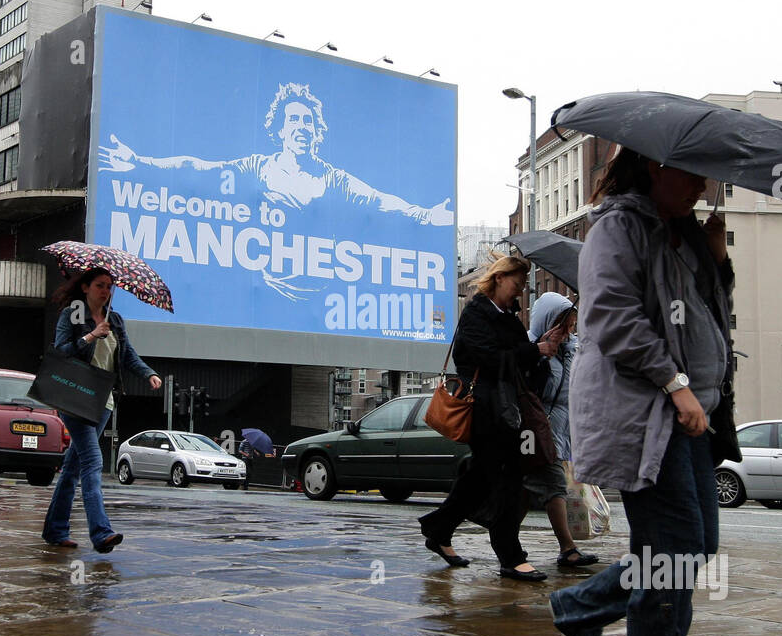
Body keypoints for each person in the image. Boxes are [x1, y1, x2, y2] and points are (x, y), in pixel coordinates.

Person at [548, 147, 742, 636]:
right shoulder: (618, 226)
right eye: (692, 172)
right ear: (657, 166)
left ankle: (581, 610)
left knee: (691, 549)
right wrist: (674, 383)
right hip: (649, 415)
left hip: (695, 417)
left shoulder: (681, 231)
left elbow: (712, 316)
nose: (703, 185)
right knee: (674, 555)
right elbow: (610, 316)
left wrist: (717, 260)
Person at [97, 82, 453, 225]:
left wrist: (426, 215)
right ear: (279, 129)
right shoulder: (257, 168)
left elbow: (379, 200)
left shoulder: (334, 179)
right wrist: (141, 162)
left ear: (316, 132)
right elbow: (199, 167)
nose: (301, 126)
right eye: (293, 119)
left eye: (307, 121)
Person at [417, 255, 567, 581]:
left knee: (480, 477)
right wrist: (533, 351)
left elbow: (521, 365)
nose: (521, 291)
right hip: (485, 410)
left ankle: (439, 529)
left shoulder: (510, 318)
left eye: (524, 285)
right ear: (500, 279)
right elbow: (488, 358)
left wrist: (544, 349)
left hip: (506, 409)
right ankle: (511, 557)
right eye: (517, 283)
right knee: (507, 481)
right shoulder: (476, 313)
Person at [42, 267, 162, 553]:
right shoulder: (73, 315)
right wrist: (92, 335)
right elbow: (62, 351)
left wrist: (148, 374)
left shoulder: (115, 320)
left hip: (103, 401)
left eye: (109, 286)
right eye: (99, 285)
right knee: (93, 463)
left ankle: (55, 530)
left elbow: (128, 355)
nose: (105, 290)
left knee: (72, 468)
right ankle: (100, 532)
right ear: (85, 288)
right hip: (74, 397)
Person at [522, 292, 599, 568]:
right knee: (554, 485)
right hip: (536, 428)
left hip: (564, 428)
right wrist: (543, 354)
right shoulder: (531, 347)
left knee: (525, 490)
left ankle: (449, 527)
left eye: (572, 324)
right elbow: (528, 388)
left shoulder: (575, 348)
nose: (569, 330)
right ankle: (568, 548)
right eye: (563, 324)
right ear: (547, 321)